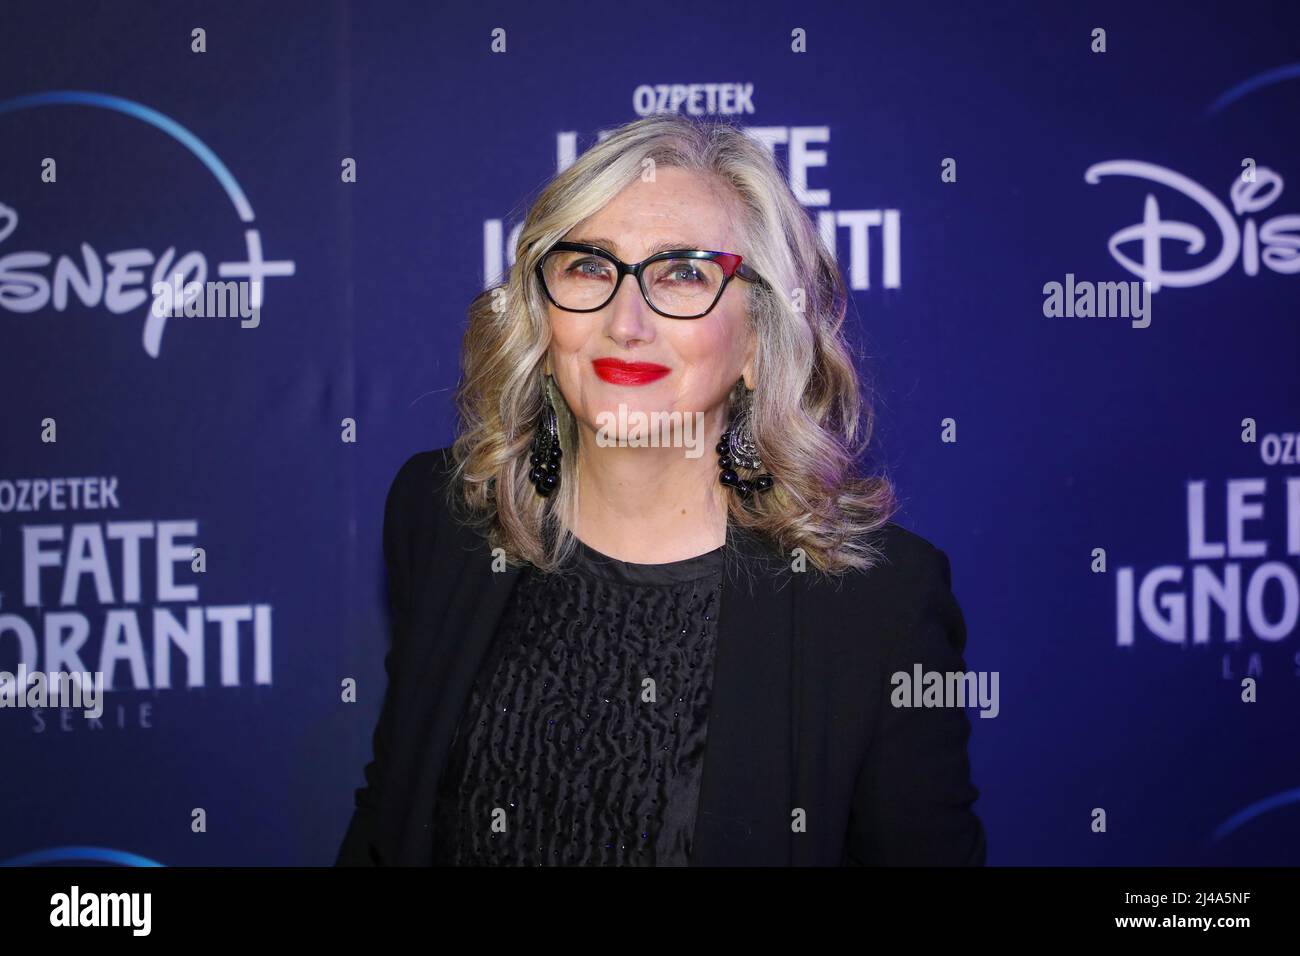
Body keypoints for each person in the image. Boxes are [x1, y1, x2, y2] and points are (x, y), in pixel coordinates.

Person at [336, 113, 987, 866]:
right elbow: (389, 824)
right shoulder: (444, 518)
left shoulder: (877, 606)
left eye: (683, 273)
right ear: (542, 316)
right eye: (589, 265)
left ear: (756, 339)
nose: (626, 320)